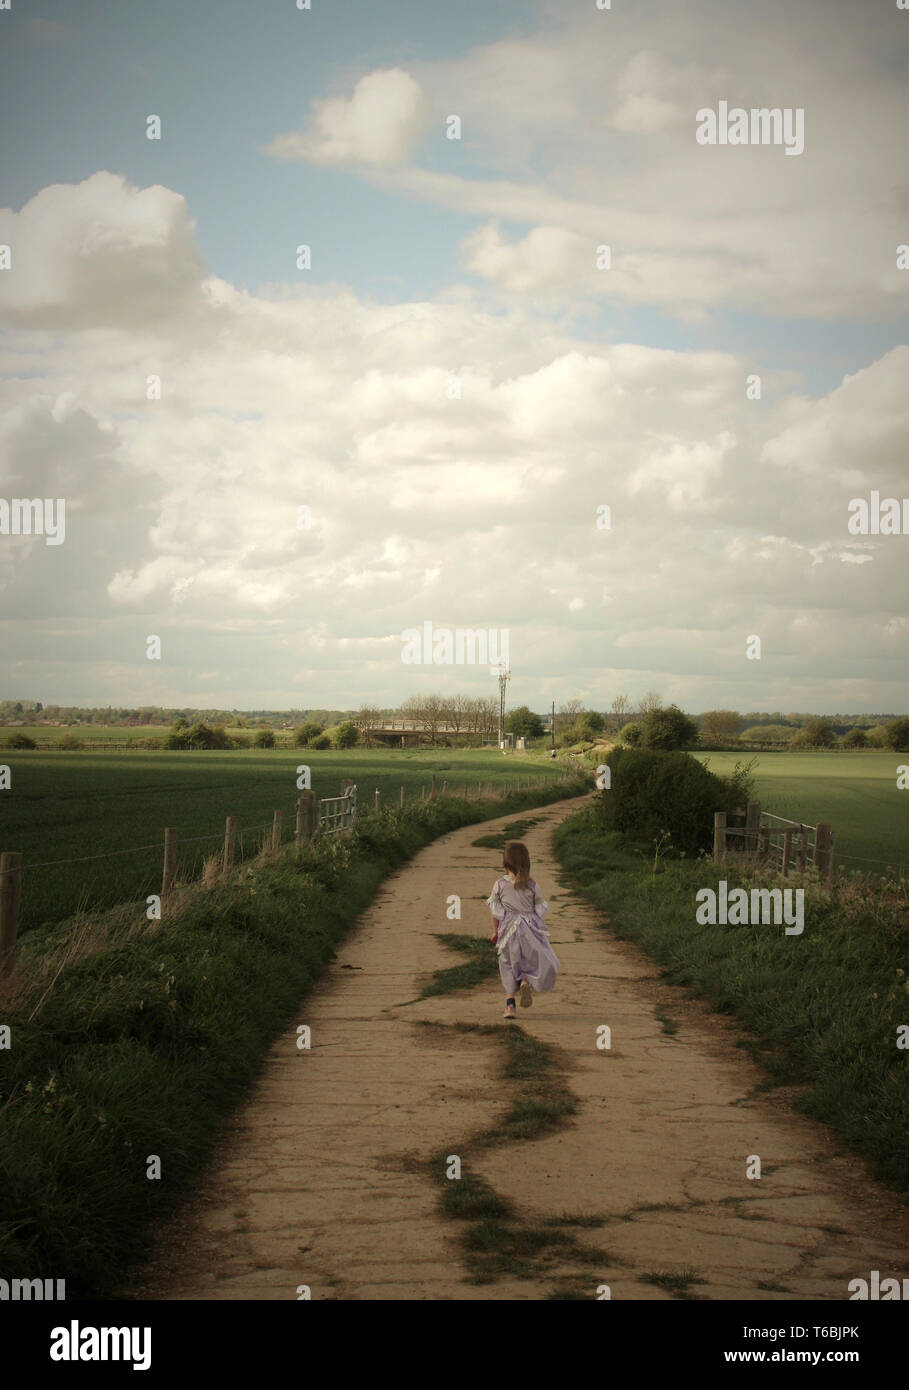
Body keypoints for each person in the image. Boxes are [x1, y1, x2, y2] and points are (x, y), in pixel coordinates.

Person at [487, 842, 559, 1019]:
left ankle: (510, 1004)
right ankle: (525, 980)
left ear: (505, 864)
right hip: (529, 930)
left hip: (508, 930)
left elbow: (495, 913)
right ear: (527, 862)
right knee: (528, 960)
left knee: (507, 963)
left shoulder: (500, 885)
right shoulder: (532, 885)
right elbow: (540, 909)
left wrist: (495, 932)